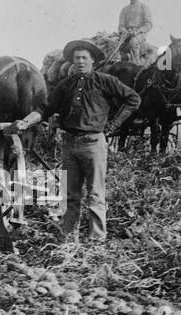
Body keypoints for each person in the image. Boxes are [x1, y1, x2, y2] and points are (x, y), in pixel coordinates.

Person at [13, 39, 140, 244]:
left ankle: (96, 240)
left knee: (96, 194)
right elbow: (46, 108)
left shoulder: (105, 81)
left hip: (93, 144)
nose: (80, 62)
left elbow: (133, 99)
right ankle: (67, 236)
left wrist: (112, 126)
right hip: (69, 144)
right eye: (76, 58)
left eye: (84, 58)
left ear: (92, 60)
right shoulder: (66, 84)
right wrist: (26, 122)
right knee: (70, 195)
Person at [118, 0, 153, 65]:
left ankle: (136, 65)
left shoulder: (144, 8)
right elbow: (121, 25)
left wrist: (138, 30)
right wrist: (125, 31)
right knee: (116, 45)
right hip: (126, 34)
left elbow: (148, 23)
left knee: (133, 42)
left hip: (140, 34)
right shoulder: (124, 10)